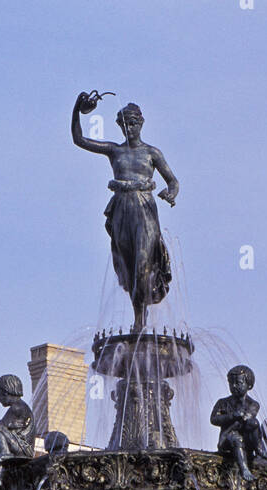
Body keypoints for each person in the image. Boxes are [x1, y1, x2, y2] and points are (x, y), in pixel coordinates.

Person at [72, 92, 178, 332]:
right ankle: (138, 314)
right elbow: (78, 140)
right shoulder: (114, 151)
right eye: (124, 124)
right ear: (120, 126)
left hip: (144, 208)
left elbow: (173, 181)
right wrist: (77, 110)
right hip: (121, 210)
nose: (129, 128)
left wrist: (171, 194)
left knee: (142, 264)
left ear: (141, 123)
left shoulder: (152, 153)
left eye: (133, 123)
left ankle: (140, 321)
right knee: (130, 267)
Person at [210, 366, 267, 481]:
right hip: (227, 439)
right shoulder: (223, 402)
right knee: (237, 438)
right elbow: (213, 419)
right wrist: (232, 416)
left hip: (247, 439)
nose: (234, 386)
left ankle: (259, 449)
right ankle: (244, 468)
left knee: (254, 423)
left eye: (238, 383)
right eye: (231, 383)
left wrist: (238, 420)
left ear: (249, 385)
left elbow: (247, 420)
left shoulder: (253, 404)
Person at [0, 375, 36, 482]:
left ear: (6, 393)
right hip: (18, 445)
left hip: (23, 448)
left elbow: (3, 426)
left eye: (0, 395)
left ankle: (5, 452)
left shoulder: (17, 407)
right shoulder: (19, 406)